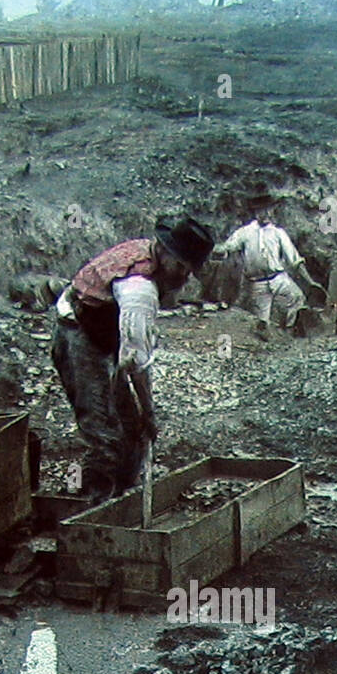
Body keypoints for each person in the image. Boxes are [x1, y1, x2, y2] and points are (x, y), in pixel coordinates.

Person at [52, 215, 215, 505]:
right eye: (179, 267)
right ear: (164, 252)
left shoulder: (148, 253)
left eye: (188, 271)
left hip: (102, 329)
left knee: (132, 428)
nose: (182, 277)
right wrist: (149, 411)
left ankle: (124, 496)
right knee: (104, 433)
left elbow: (134, 351)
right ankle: (93, 511)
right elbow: (136, 362)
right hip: (79, 333)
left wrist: (142, 417)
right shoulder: (139, 290)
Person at [213, 199, 324, 337]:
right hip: (256, 283)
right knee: (261, 321)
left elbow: (295, 260)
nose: (266, 213)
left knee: (296, 297)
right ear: (255, 212)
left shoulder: (278, 233)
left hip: (278, 278)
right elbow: (227, 247)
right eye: (261, 210)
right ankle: (268, 342)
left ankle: (289, 333)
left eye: (268, 209)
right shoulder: (245, 232)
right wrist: (213, 249)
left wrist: (310, 282)